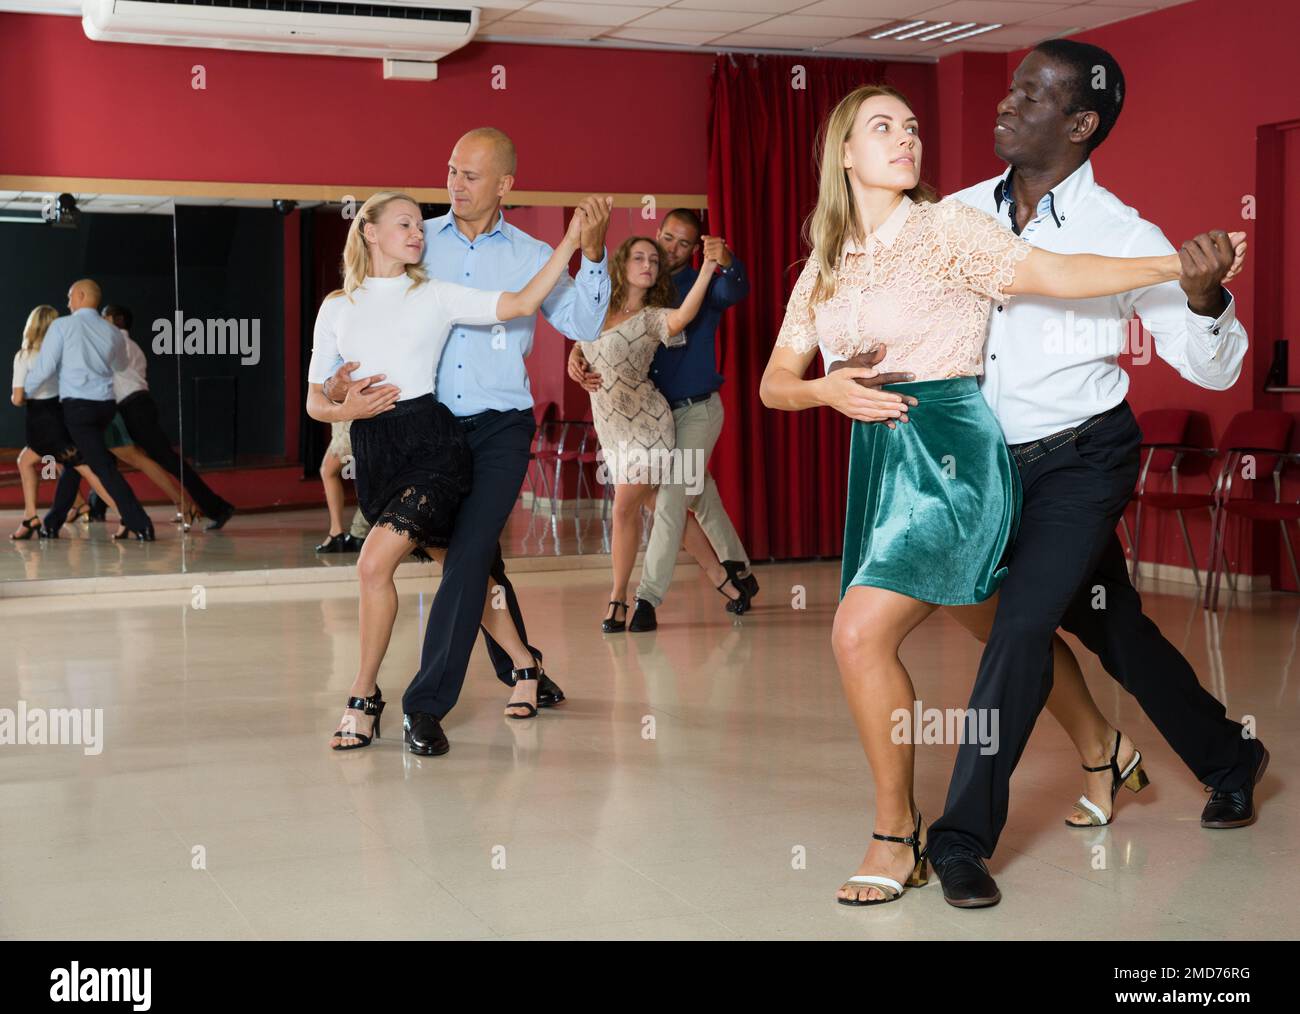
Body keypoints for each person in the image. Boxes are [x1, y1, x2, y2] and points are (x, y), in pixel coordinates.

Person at [758, 83, 1244, 907]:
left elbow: (1056, 270)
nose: (906, 138)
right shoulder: (826, 260)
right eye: (883, 128)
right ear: (843, 152)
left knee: (858, 634)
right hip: (880, 460)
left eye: (911, 127)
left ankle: (898, 833)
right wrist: (825, 392)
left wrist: (1179, 265)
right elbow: (775, 381)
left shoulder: (948, 226)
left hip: (953, 456)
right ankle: (1104, 747)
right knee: (1004, 627)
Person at [908, 40, 1267, 910]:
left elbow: (1211, 367)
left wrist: (1207, 298)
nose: (1007, 102)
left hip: (1082, 456)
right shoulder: (958, 214)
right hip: (991, 466)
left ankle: (959, 839)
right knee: (1116, 632)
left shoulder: (1124, 237)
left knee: (1020, 629)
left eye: (1034, 94)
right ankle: (1230, 755)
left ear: (1079, 123)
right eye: (1012, 86)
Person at [321, 127, 612, 753]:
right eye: (451, 170)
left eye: (471, 175)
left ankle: (425, 705)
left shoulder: (533, 252)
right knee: (471, 560)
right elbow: (368, 313)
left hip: (501, 424)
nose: (455, 183)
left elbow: (584, 321)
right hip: (428, 432)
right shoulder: (416, 239)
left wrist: (589, 251)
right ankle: (524, 663)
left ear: (506, 184)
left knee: (474, 548)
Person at [569, 210, 758, 630]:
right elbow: (598, 337)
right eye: (666, 239)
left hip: (693, 413)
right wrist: (577, 355)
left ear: (694, 250)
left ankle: (643, 599)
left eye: (682, 244)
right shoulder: (628, 295)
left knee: (667, 501)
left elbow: (734, 291)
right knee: (699, 498)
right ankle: (734, 575)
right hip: (635, 419)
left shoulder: (697, 289)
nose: (667, 252)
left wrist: (723, 261)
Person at [22, 279, 155, 540]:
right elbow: (119, 366)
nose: (68, 303)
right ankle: (52, 522)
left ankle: (139, 522)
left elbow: (45, 367)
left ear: (81, 296)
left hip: (77, 409)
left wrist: (25, 390)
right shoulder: (112, 332)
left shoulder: (62, 326)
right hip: (105, 407)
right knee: (75, 461)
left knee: (102, 466)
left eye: (70, 297)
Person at [102, 304, 237, 531]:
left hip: (133, 407)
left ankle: (216, 507)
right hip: (138, 405)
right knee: (113, 456)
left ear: (117, 319)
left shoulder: (116, 344)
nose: (100, 322)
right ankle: (97, 508)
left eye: (103, 317)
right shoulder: (133, 346)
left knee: (168, 461)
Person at [9, 304, 115, 539]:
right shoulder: (63, 354)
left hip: (41, 422)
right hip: (63, 414)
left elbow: (18, 398)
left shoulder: (24, 356)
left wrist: (23, 394)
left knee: (83, 468)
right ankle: (31, 516)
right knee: (28, 461)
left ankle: (126, 514)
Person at [315, 419, 367, 554]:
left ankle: (349, 533)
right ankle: (354, 533)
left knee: (329, 471)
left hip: (352, 420)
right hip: (346, 420)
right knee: (329, 471)